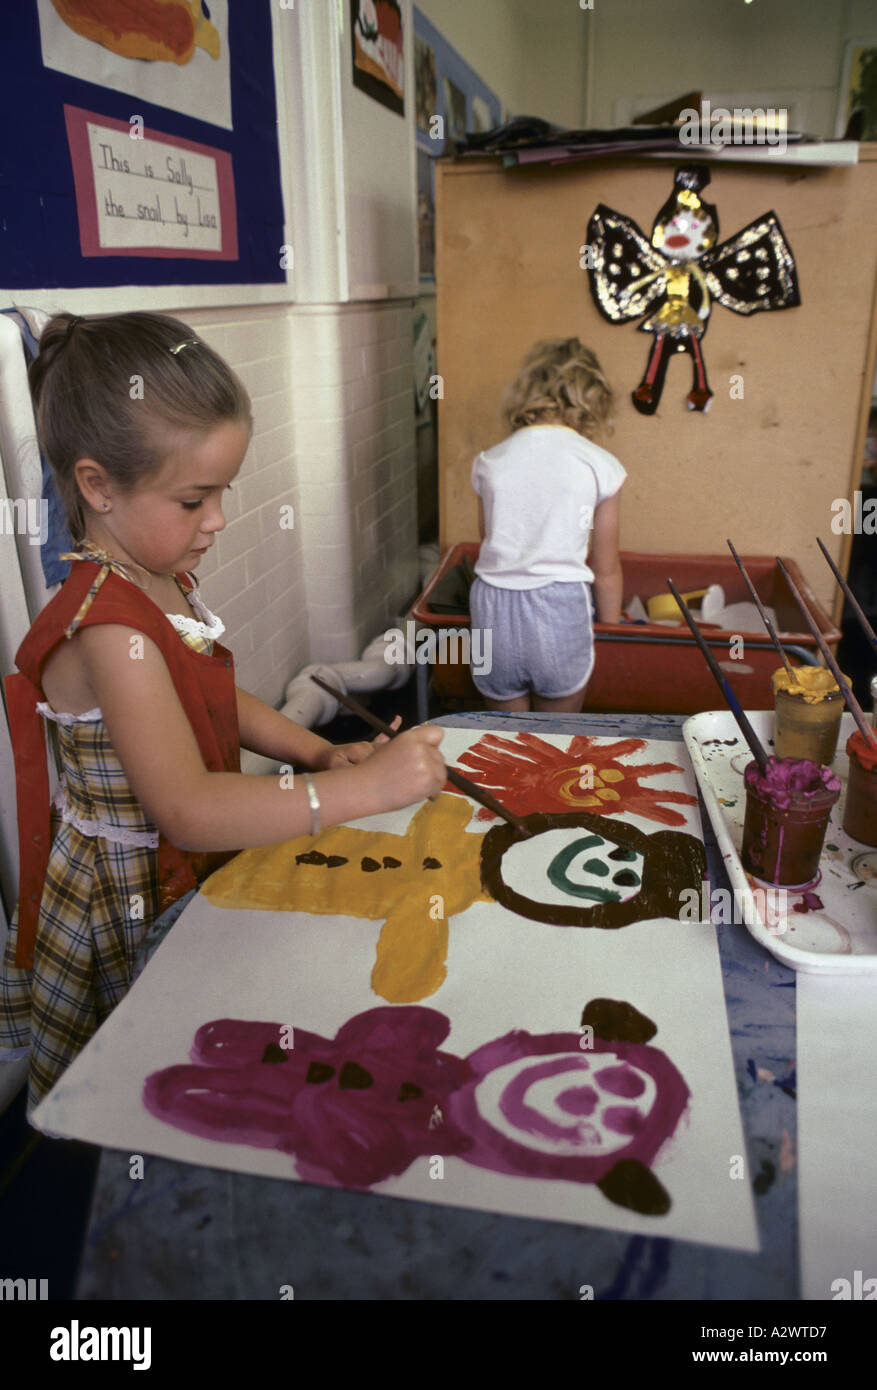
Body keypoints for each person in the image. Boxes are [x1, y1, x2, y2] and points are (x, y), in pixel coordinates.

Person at [0, 311, 445, 1113]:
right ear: (98, 486)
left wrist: (314, 753)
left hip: (173, 866)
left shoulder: (152, 575)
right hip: (128, 890)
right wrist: (362, 793)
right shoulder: (106, 623)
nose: (217, 520)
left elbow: (208, 693)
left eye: (222, 492)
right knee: (135, 1082)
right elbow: (191, 810)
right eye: (193, 498)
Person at [469, 337, 626, 713]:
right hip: (559, 610)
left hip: (493, 610)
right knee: (555, 743)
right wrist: (612, 631)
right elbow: (605, 569)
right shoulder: (599, 464)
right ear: (592, 397)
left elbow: (487, 538)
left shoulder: (490, 460)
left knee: (508, 744)